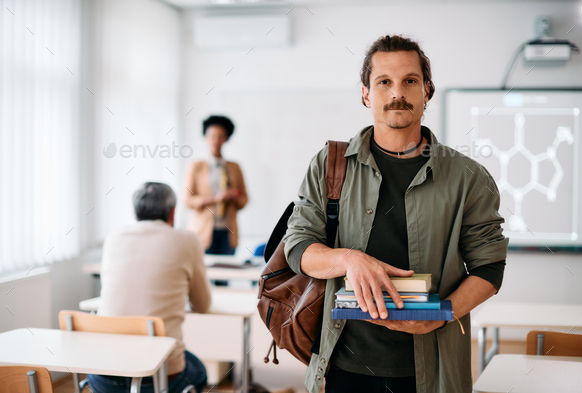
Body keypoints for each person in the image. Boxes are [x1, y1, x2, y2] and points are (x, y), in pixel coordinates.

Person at [283, 35, 508, 393]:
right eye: (383, 82)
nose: (396, 93)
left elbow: (489, 268)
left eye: (410, 81)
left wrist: (441, 313)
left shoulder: (468, 177)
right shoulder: (330, 165)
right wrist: (350, 260)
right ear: (365, 93)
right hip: (342, 365)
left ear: (427, 90)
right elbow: (297, 248)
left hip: (432, 369)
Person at [88, 182, 210, 393]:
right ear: (172, 212)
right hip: (159, 377)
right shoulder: (188, 240)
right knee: (199, 371)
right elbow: (202, 305)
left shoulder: (114, 237)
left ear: (136, 213)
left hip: (104, 376)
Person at [184, 115, 248, 255]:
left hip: (228, 233)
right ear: (206, 137)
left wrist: (233, 196)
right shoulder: (196, 167)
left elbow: (244, 200)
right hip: (202, 233)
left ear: (226, 139)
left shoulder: (235, 167)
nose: (216, 140)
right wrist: (216, 198)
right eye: (212, 136)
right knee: (202, 275)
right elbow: (187, 201)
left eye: (221, 136)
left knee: (224, 275)